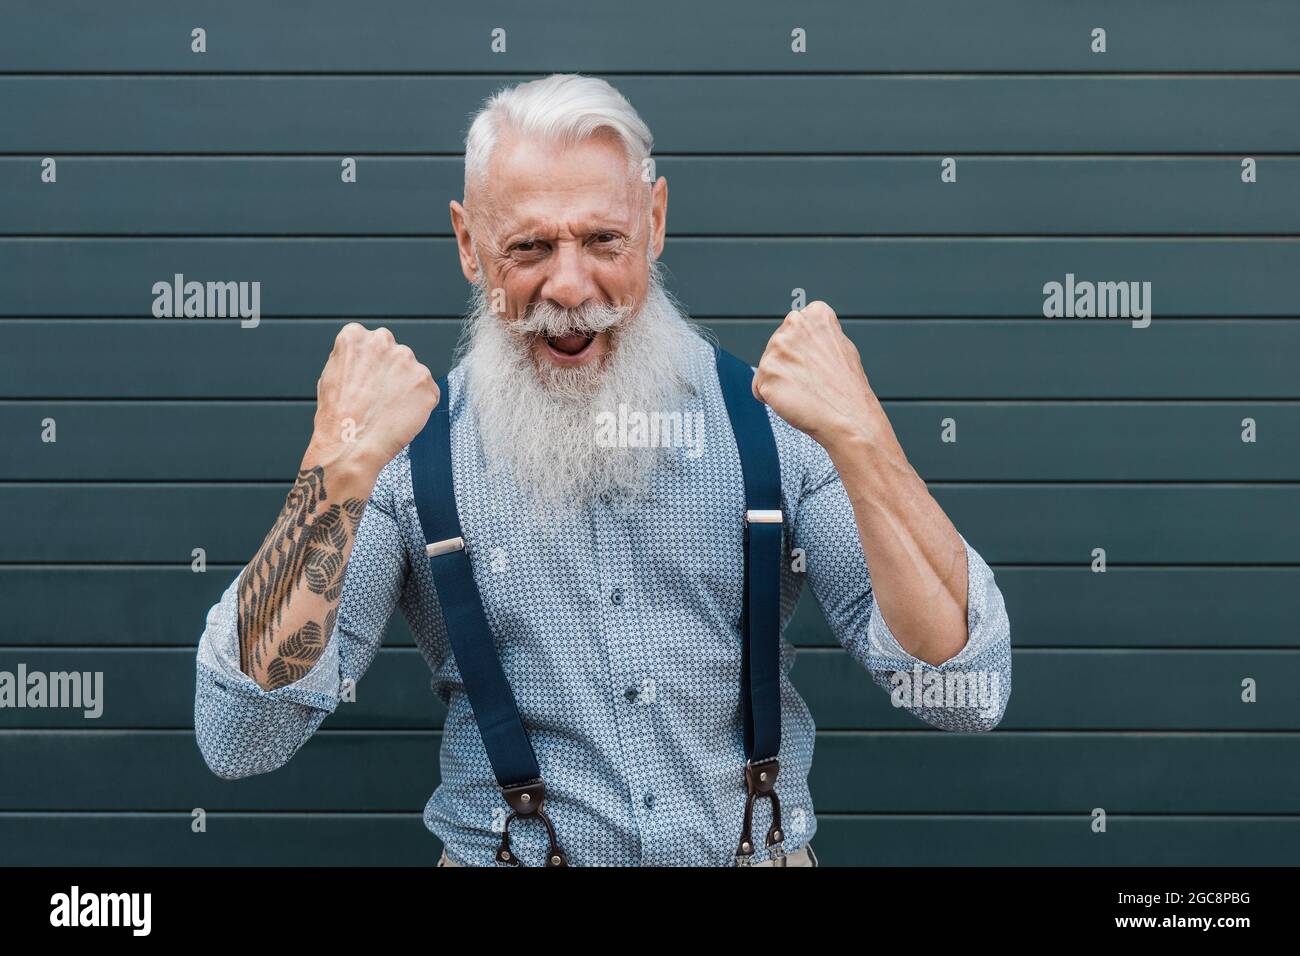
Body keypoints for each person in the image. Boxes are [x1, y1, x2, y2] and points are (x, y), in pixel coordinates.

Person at [193, 73, 1012, 867]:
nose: (571, 285)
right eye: (530, 247)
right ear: (469, 245)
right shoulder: (411, 457)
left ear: (654, 222)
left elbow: (965, 695)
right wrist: (333, 469)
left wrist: (867, 439)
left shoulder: (776, 424)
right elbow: (241, 736)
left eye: (602, 239)